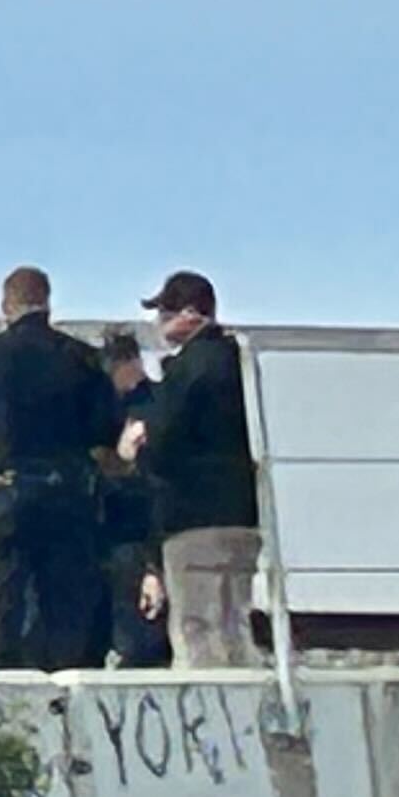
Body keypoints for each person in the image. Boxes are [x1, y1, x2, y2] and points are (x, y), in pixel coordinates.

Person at [0, 266, 117, 669]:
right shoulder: (82, 358)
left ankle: (8, 678)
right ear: (48, 302)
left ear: (6, 305)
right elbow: (105, 430)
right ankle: (67, 679)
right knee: (66, 603)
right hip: (69, 496)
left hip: (6, 494)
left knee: (5, 599)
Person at [125, 269, 260, 668]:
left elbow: (166, 440)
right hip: (242, 515)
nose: (159, 323)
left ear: (188, 313)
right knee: (235, 624)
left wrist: (136, 450)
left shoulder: (189, 369)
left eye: (164, 312)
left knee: (197, 627)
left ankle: (211, 717)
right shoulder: (240, 361)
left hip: (195, 518)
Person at [97, 327, 171, 668]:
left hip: (132, 530)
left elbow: (141, 472)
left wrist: (120, 460)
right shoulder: (153, 402)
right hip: (136, 530)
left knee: (138, 632)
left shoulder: (139, 408)